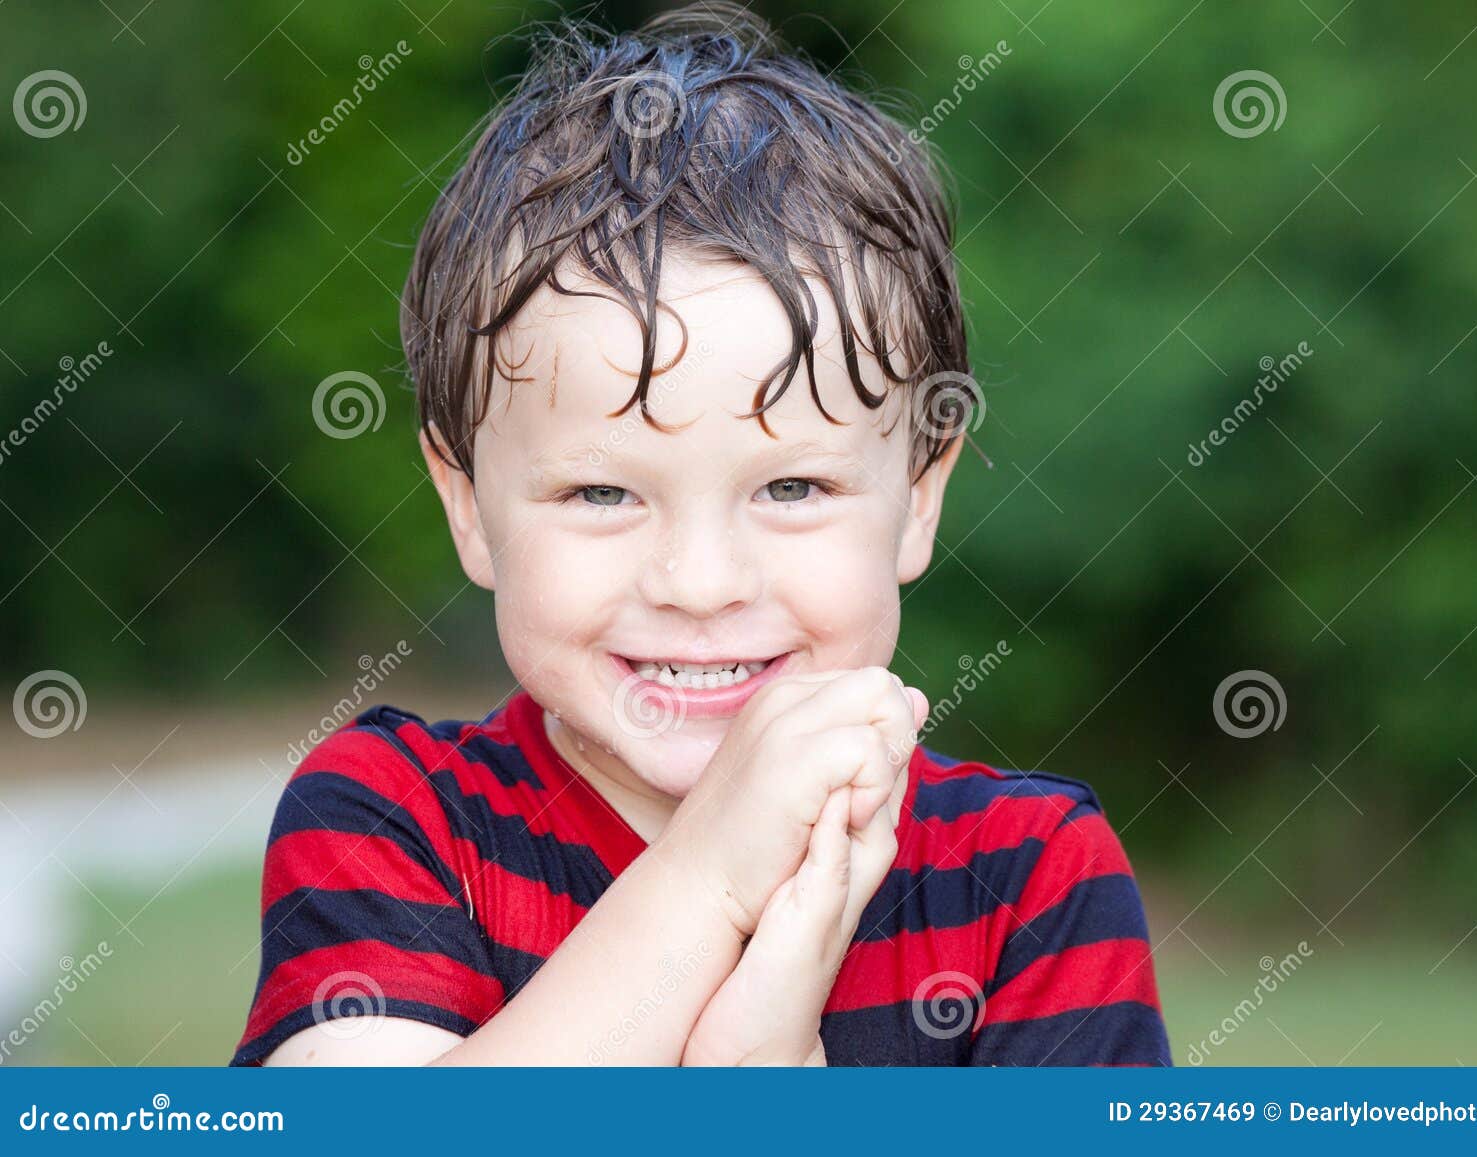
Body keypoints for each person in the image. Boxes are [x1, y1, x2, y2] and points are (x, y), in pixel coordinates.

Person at [231, 2, 1169, 1066]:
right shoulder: (395, 818)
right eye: (600, 494)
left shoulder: (1026, 879)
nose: (700, 580)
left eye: (793, 486)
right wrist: (710, 876)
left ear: (916, 496)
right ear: (467, 506)